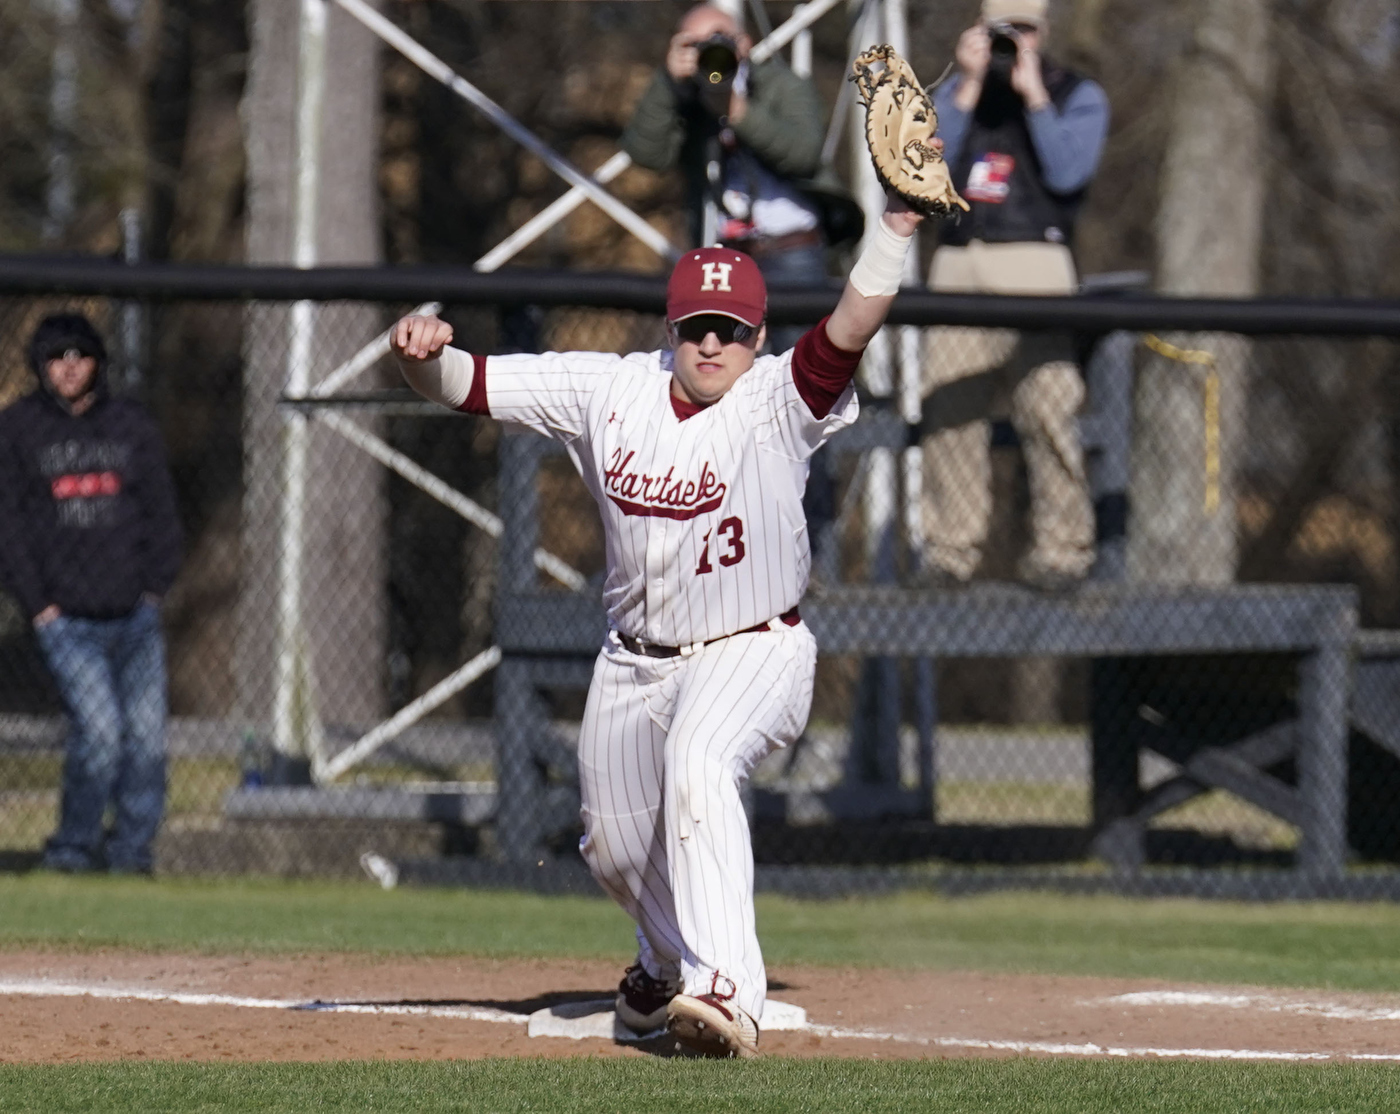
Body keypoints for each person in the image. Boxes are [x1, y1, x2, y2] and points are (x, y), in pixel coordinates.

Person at [392, 192, 923, 1058]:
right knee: (611, 848)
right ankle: (661, 964)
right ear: (672, 328)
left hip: (755, 646)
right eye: (697, 327)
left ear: (758, 337)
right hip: (633, 659)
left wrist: (893, 232)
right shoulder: (611, 390)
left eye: (732, 329)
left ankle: (728, 990)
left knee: (701, 762)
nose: (713, 344)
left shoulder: (776, 402)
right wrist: (419, 354)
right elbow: (469, 385)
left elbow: (850, 327)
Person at [920, 0, 1109, 589]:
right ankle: (950, 554)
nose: (1013, 44)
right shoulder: (956, 92)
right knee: (948, 408)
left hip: (1039, 259)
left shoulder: (1078, 93)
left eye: (1024, 32)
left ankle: (1062, 550)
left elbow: (1068, 173)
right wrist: (967, 86)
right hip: (961, 258)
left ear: (1044, 34)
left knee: (1049, 404)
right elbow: (924, 175)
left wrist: (1035, 98)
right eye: (1002, 32)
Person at [0, 313, 181, 874]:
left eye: (80, 355)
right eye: (57, 357)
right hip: (66, 621)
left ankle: (132, 854)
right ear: (40, 366)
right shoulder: (18, 429)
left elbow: (161, 511)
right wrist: (39, 605)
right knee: (100, 736)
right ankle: (72, 850)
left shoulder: (129, 423)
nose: (70, 366)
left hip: (134, 614)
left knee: (147, 744)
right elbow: (10, 525)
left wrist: (154, 588)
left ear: (98, 361)